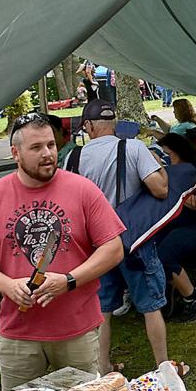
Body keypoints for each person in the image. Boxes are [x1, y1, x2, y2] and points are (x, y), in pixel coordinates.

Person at [0, 114, 125, 391]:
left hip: (77, 332)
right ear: (16, 153)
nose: (47, 154)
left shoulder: (82, 189)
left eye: (51, 145)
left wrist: (69, 280)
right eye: (36, 148)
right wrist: (7, 285)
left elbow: (113, 247)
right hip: (18, 335)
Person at [68, 99, 172, 374]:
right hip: (133, 240)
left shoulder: (74, 157)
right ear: (113, 124)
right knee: (150, 305)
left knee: (102, 308)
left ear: (88, 126)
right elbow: (160, 189)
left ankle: (102, 369)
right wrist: (159, 165)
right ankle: (164, 368)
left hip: (95, 245)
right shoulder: (135, 148)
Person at [151, 129, 196, 322]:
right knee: (149, 248)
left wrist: (172, 184)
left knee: (164, 255)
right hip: (176, 225)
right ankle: (167, 296)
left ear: (179, 152)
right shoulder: (170, 171)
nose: (166, 160)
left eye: (168, 155)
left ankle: (193, 296)